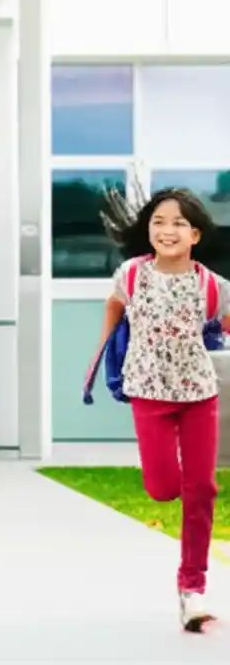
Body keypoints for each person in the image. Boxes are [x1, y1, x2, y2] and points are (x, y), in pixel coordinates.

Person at [94, 187, 228, 632]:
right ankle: (190, 583)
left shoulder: (213, 286)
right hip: (149, 395)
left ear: (195, 234)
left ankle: (192, 588)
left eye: (177, 223)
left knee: (202, 489)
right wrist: (103, 350)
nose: (166, 230)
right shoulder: (131, 274)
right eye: (158, 222)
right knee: (162, 489)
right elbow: (115, 304)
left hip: (198, 395)